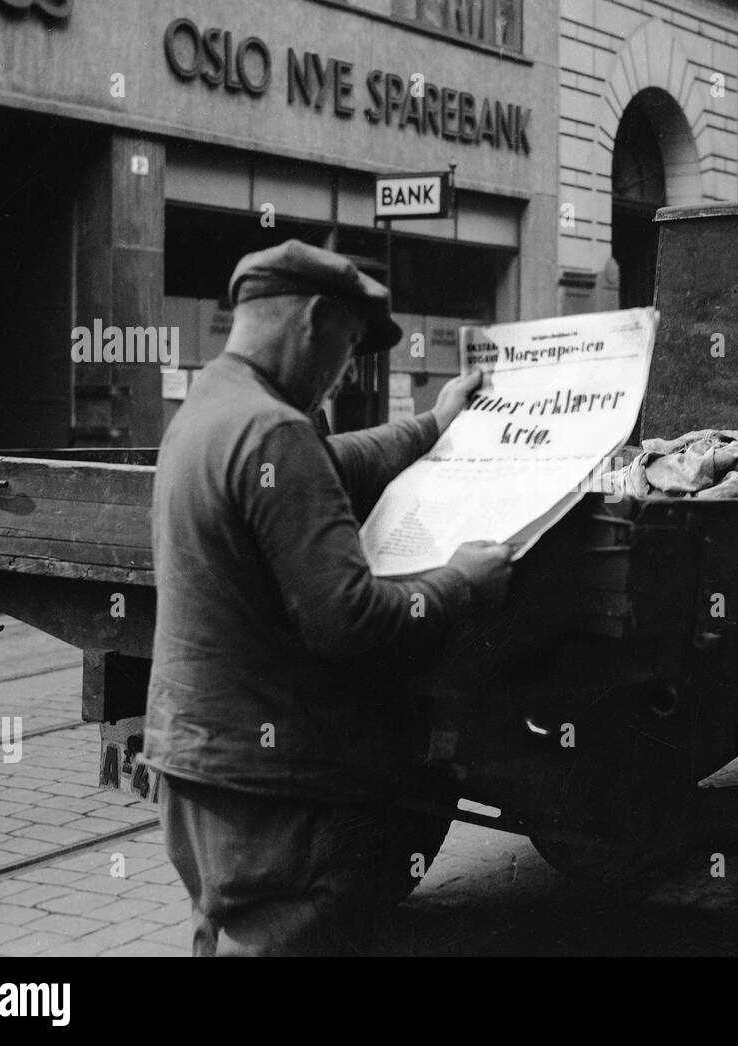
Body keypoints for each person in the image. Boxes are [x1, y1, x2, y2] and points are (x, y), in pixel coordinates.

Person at [144, 240, 513, 956]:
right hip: (275, 789)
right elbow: (349, 622)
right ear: (314, 320)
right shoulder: (275, 432)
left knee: (233, 938)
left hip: (199, 769)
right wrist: (463, 581)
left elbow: (332, 462)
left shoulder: (210, 409)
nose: (345, 372)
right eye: (347, 347)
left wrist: (432, 426)